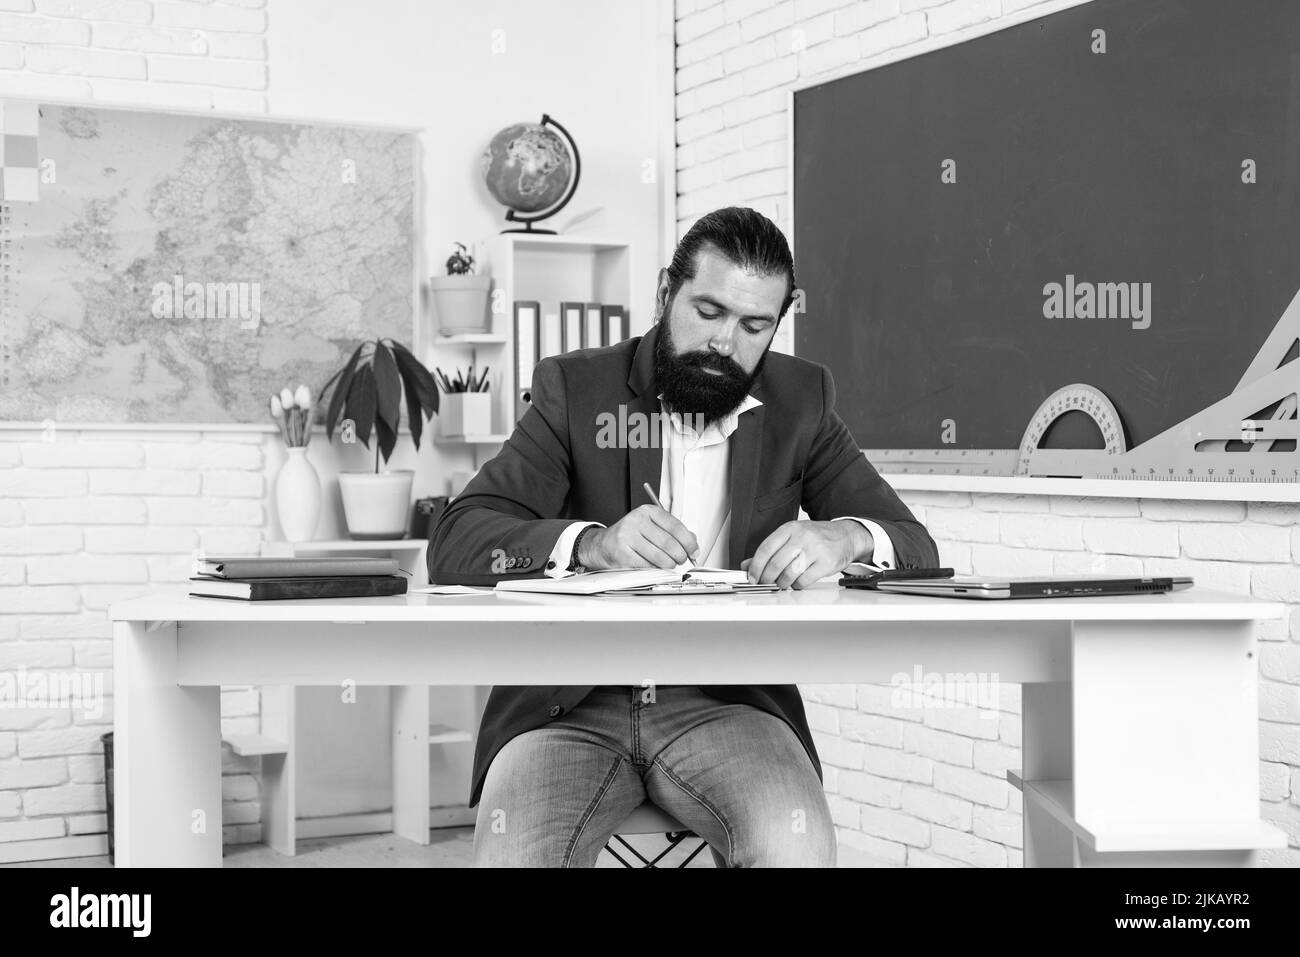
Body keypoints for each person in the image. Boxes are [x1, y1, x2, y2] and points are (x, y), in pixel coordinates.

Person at [428, 206, 939, 867]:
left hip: (728, 703)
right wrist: (592, 545)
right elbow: (459, 537)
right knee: (518, 856)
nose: (725, 341)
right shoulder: (575, 389)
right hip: (567, 707)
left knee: (797, 845)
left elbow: (915, 543)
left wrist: (844, 537)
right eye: (708, 311)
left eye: (754, 325)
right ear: (667, 293)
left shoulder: (800, 400)